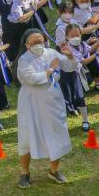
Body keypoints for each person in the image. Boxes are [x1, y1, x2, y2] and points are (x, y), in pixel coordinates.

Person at [15, 28, 70, 188]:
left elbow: (70, 66)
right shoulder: (24, 60)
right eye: (33, 42)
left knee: (56, 132)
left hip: (52, 100)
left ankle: (54, 170)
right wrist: (50, 70)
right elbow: (31, 78)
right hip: (30, 102)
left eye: (40, 41)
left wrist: (71, 55)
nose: (38, 44)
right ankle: (25, 172)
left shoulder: (52, 53)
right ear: (27, 44)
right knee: (27, 136)